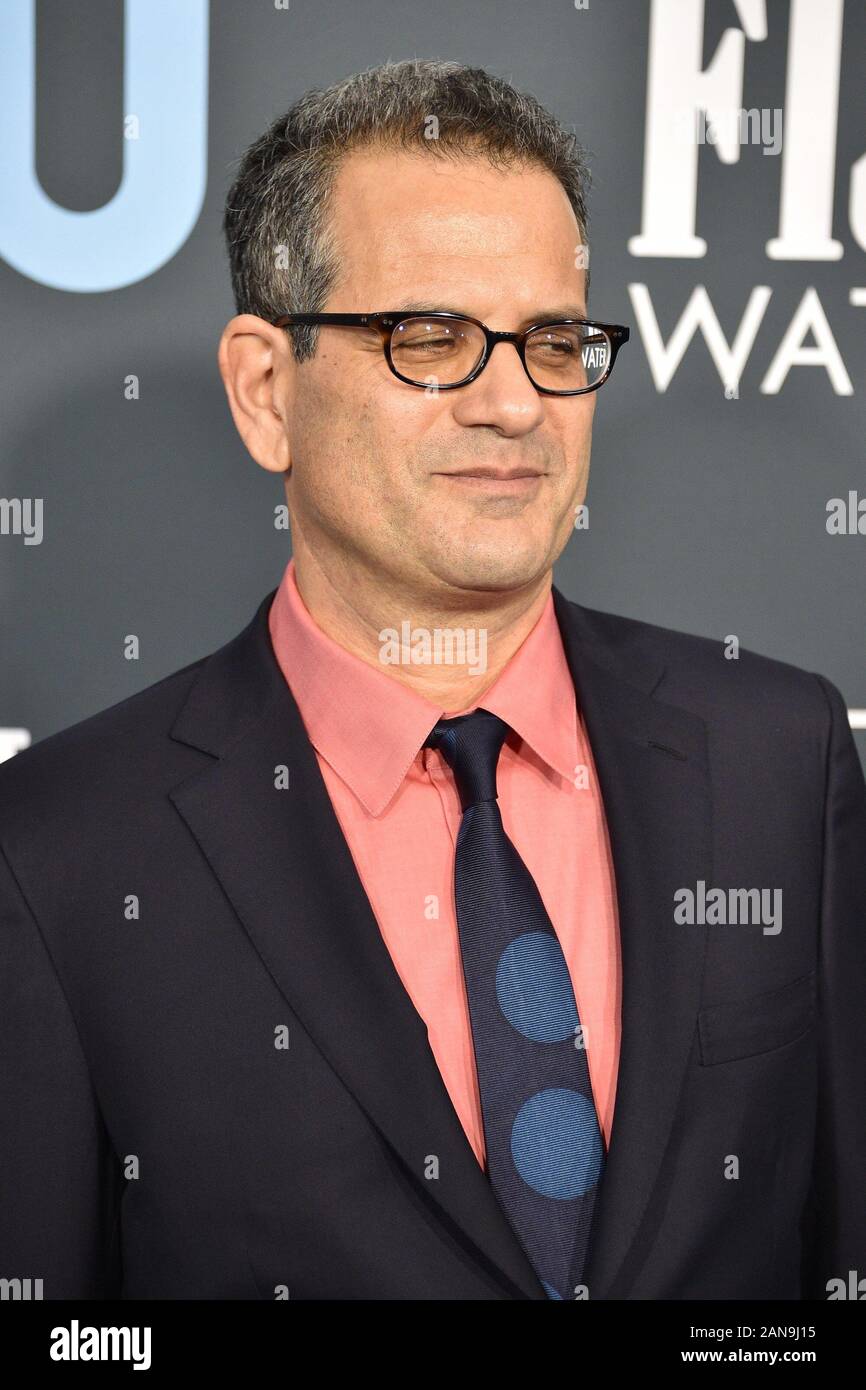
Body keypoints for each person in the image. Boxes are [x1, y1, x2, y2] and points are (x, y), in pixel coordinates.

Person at [1, 58, 864, 1302]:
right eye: (430, 340)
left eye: (552, 340)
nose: (514, 403)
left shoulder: (777, 754)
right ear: (264, 393)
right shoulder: (60, 850)